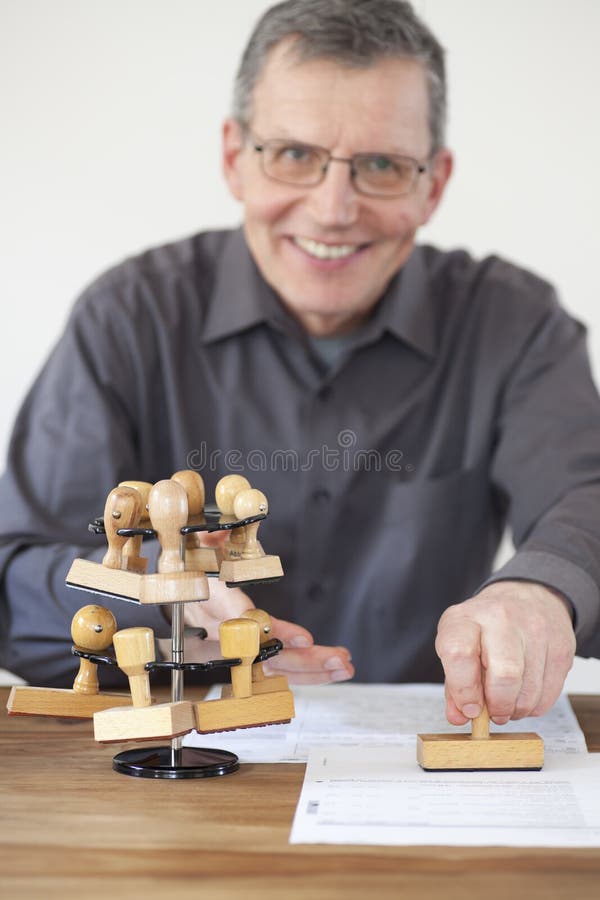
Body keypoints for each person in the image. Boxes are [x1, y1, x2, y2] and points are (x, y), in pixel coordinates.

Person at [1, 0, 599, 730]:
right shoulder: (128, 318)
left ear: (432, 185)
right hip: (180, 768)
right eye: (294, 154)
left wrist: (541, 591)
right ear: (233, 159)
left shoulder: (518, 325)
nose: (332, 209)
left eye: (380, 165)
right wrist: (166, 603)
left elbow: (586, 499)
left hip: (423, 772)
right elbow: (16, 576)